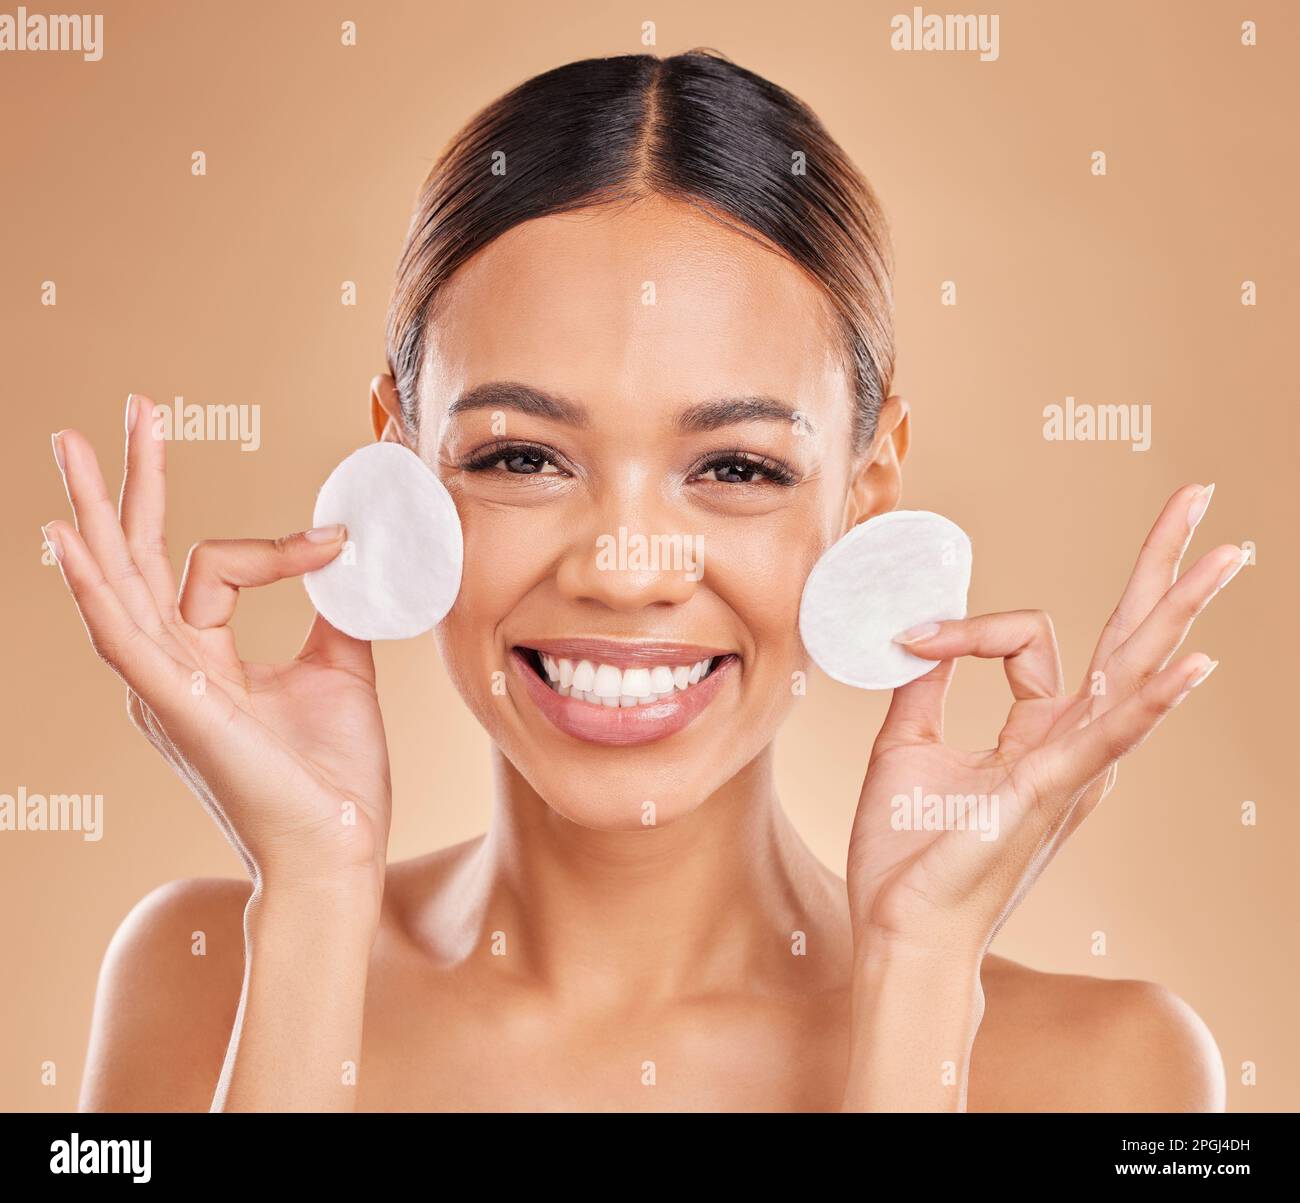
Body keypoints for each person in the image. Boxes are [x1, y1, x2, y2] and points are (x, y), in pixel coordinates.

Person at [48, 51, 1235, 1112]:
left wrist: (918, 975)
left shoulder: (1115, 1074)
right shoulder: (201, 982)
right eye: (522, 458)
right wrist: (311, 895)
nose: (623, 573)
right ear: (396, 464)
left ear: (866, 491)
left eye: (735, 467)